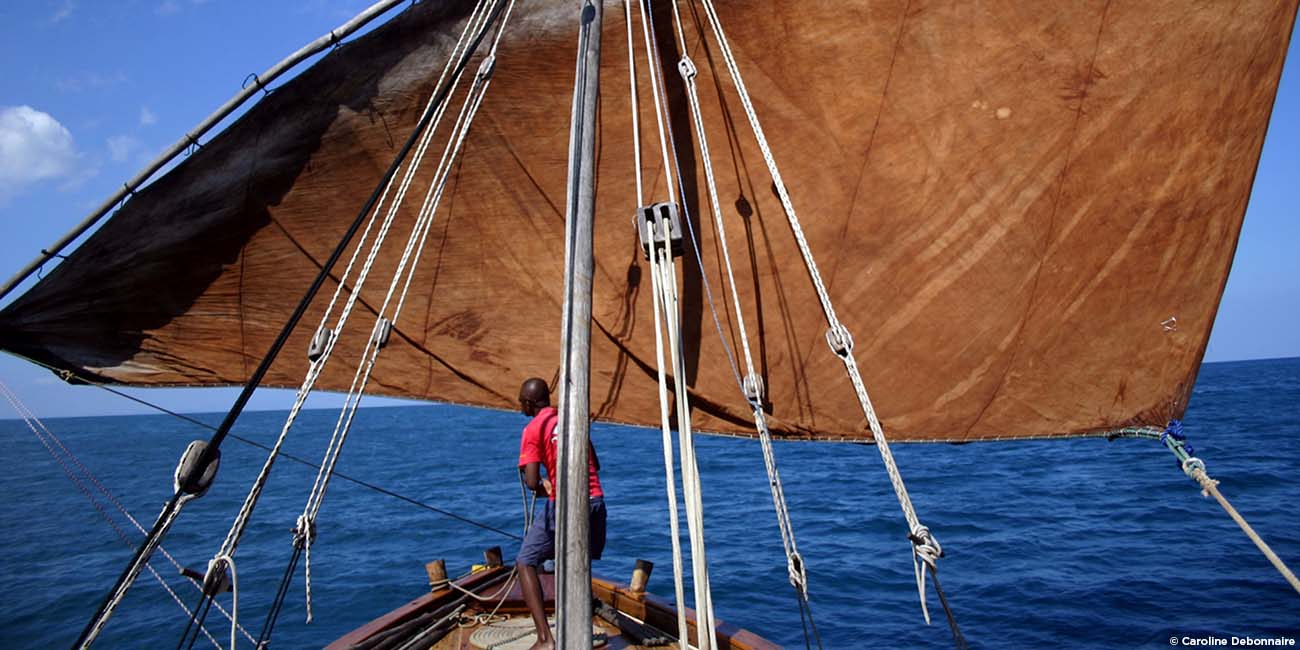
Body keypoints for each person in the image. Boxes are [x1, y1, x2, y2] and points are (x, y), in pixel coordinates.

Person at [514, 377, 606, 650]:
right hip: (596, 501)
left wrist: (544, 485)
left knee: (526, 560)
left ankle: (545, 639)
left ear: (528, 403)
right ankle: (580, 629)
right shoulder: (573, 420)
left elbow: (532, 482)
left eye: (521, 402)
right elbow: (594, 464)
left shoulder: (533, 429)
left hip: (566, 505)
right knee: (577, 563)